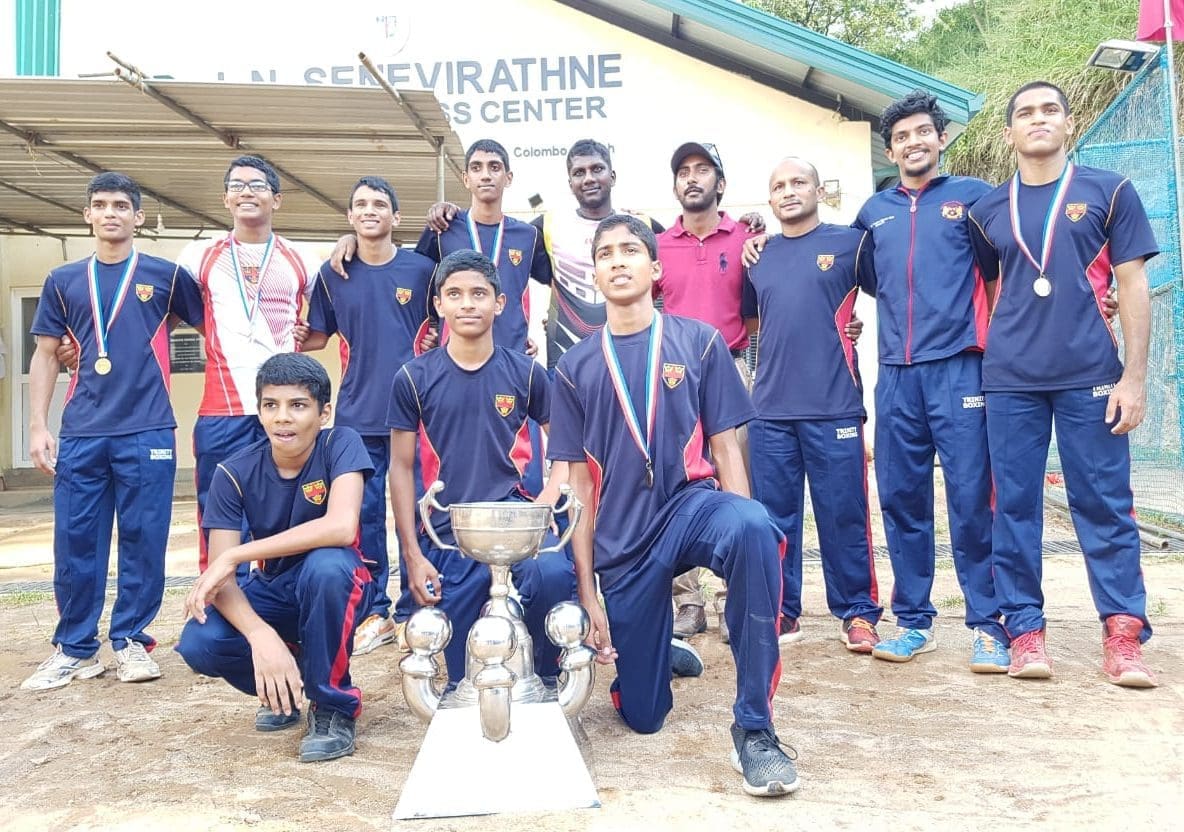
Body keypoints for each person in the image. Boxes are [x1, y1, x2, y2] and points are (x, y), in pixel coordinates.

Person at [549, 214, 798, 797]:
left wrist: (740, 531)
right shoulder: (574, 366)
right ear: (594, 273)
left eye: (630, 250)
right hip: (622, 537)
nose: (617, 260)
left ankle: (755, 730)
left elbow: (724, 444)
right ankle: (656, 652)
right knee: (642, 717)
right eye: (605, 252)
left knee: (756, 527)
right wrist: (589, 595)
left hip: (691, 506)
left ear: (654, 267)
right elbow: (580, 487)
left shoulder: (699, 341)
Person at [967, 81, 1158, 686]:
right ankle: (1025, 631)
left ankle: (1123, 635)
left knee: (1103, 505)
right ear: (1009, 133)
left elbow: (1131, 284)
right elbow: (996, 290)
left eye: (1050, 110)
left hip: (1092, 377)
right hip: (1011, 382)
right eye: (1024, 112)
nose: (1038, 119)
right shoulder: (987, 211)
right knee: (1014, 507)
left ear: (1069, 124)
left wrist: (1133, 376)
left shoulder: (1110, 191)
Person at [23, 171, 204, 691]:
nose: (111, 213)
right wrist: (39, 424)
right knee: (77, 540)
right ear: (87, 215)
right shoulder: (64, 280)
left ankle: (131, 640)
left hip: (148, 427)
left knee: (145, 539)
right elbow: (45, 354)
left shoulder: (165, 276)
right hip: (82, 430)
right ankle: (76, 648)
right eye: (100, 205)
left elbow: (209, 325)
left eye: (121, 205)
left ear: (138, 217)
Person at [386, 250, 575, 684]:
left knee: (550, 574)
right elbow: (399, 468)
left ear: (500, 303)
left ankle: (545, 680)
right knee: (461, 677)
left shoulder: (526, 373)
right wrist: (413, 555)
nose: (467, 303)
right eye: (455, 294)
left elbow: (566, 450)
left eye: (478, 293)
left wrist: (546, 502)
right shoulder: (412, 378)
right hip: (449, 532)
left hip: (514, 519)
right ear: (439, 305)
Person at [176, 353, 375, 761]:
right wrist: (260, 635)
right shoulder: (233, 472)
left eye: (298, 406)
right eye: (271, 405)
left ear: (324, 413)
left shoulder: (341, 443)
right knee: (200, 642)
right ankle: (287, 682)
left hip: (339, 583)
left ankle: (333, 706)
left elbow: (341, 527)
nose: (282, 417)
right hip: (274, 591)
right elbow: (222, 578)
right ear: (260, 411)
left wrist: (239, 554)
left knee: (326, 566)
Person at [742, 158, 883, 653]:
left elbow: (890, 292)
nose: (788, 191)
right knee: (772, 519)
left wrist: (848, 330)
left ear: (819, 190)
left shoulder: (850, 242)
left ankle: (858, 613)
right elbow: (754, 325)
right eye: (778, 185)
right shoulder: (757, 256)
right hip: (770, 413)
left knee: (843, 513)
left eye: (798, 182)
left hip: (835, 404)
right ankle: (782, 610)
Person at [301, 176, 436, 656]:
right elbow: (315, 336)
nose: (369, 210)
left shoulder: (422, 270)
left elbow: (447, 325)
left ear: (397, 218)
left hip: (416, 416)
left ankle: (415, 606)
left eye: (380, 203)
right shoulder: (333, 273)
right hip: (357, 414)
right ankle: (375, 611)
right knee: (364, 517)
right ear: (350, 216)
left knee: (418, 514)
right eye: (360, 204)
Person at [179, 155, 317, 571]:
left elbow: (334, 317)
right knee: (218, 513)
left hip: (284, 407)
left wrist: (308, 338)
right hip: (222, 408)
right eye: (237, 185)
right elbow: (160, 316)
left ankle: (281, 607)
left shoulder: (302, 258)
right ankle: (220, 609)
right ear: (225, 199)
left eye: (257, 185)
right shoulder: (198, 255)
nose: (246, 192)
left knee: (287, 513)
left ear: (276, 200)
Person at [655, 141, 766, 644]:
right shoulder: (657, 248)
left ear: (720, 183)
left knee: (734, 477)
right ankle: (687, 600)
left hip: (733, 370)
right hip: (671, 377)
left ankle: (732, 597)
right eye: (684, 172)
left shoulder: (747, 238)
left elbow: (762, 305)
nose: (692, 179)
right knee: (674, 484)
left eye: (703, 171)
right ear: (675, 185)